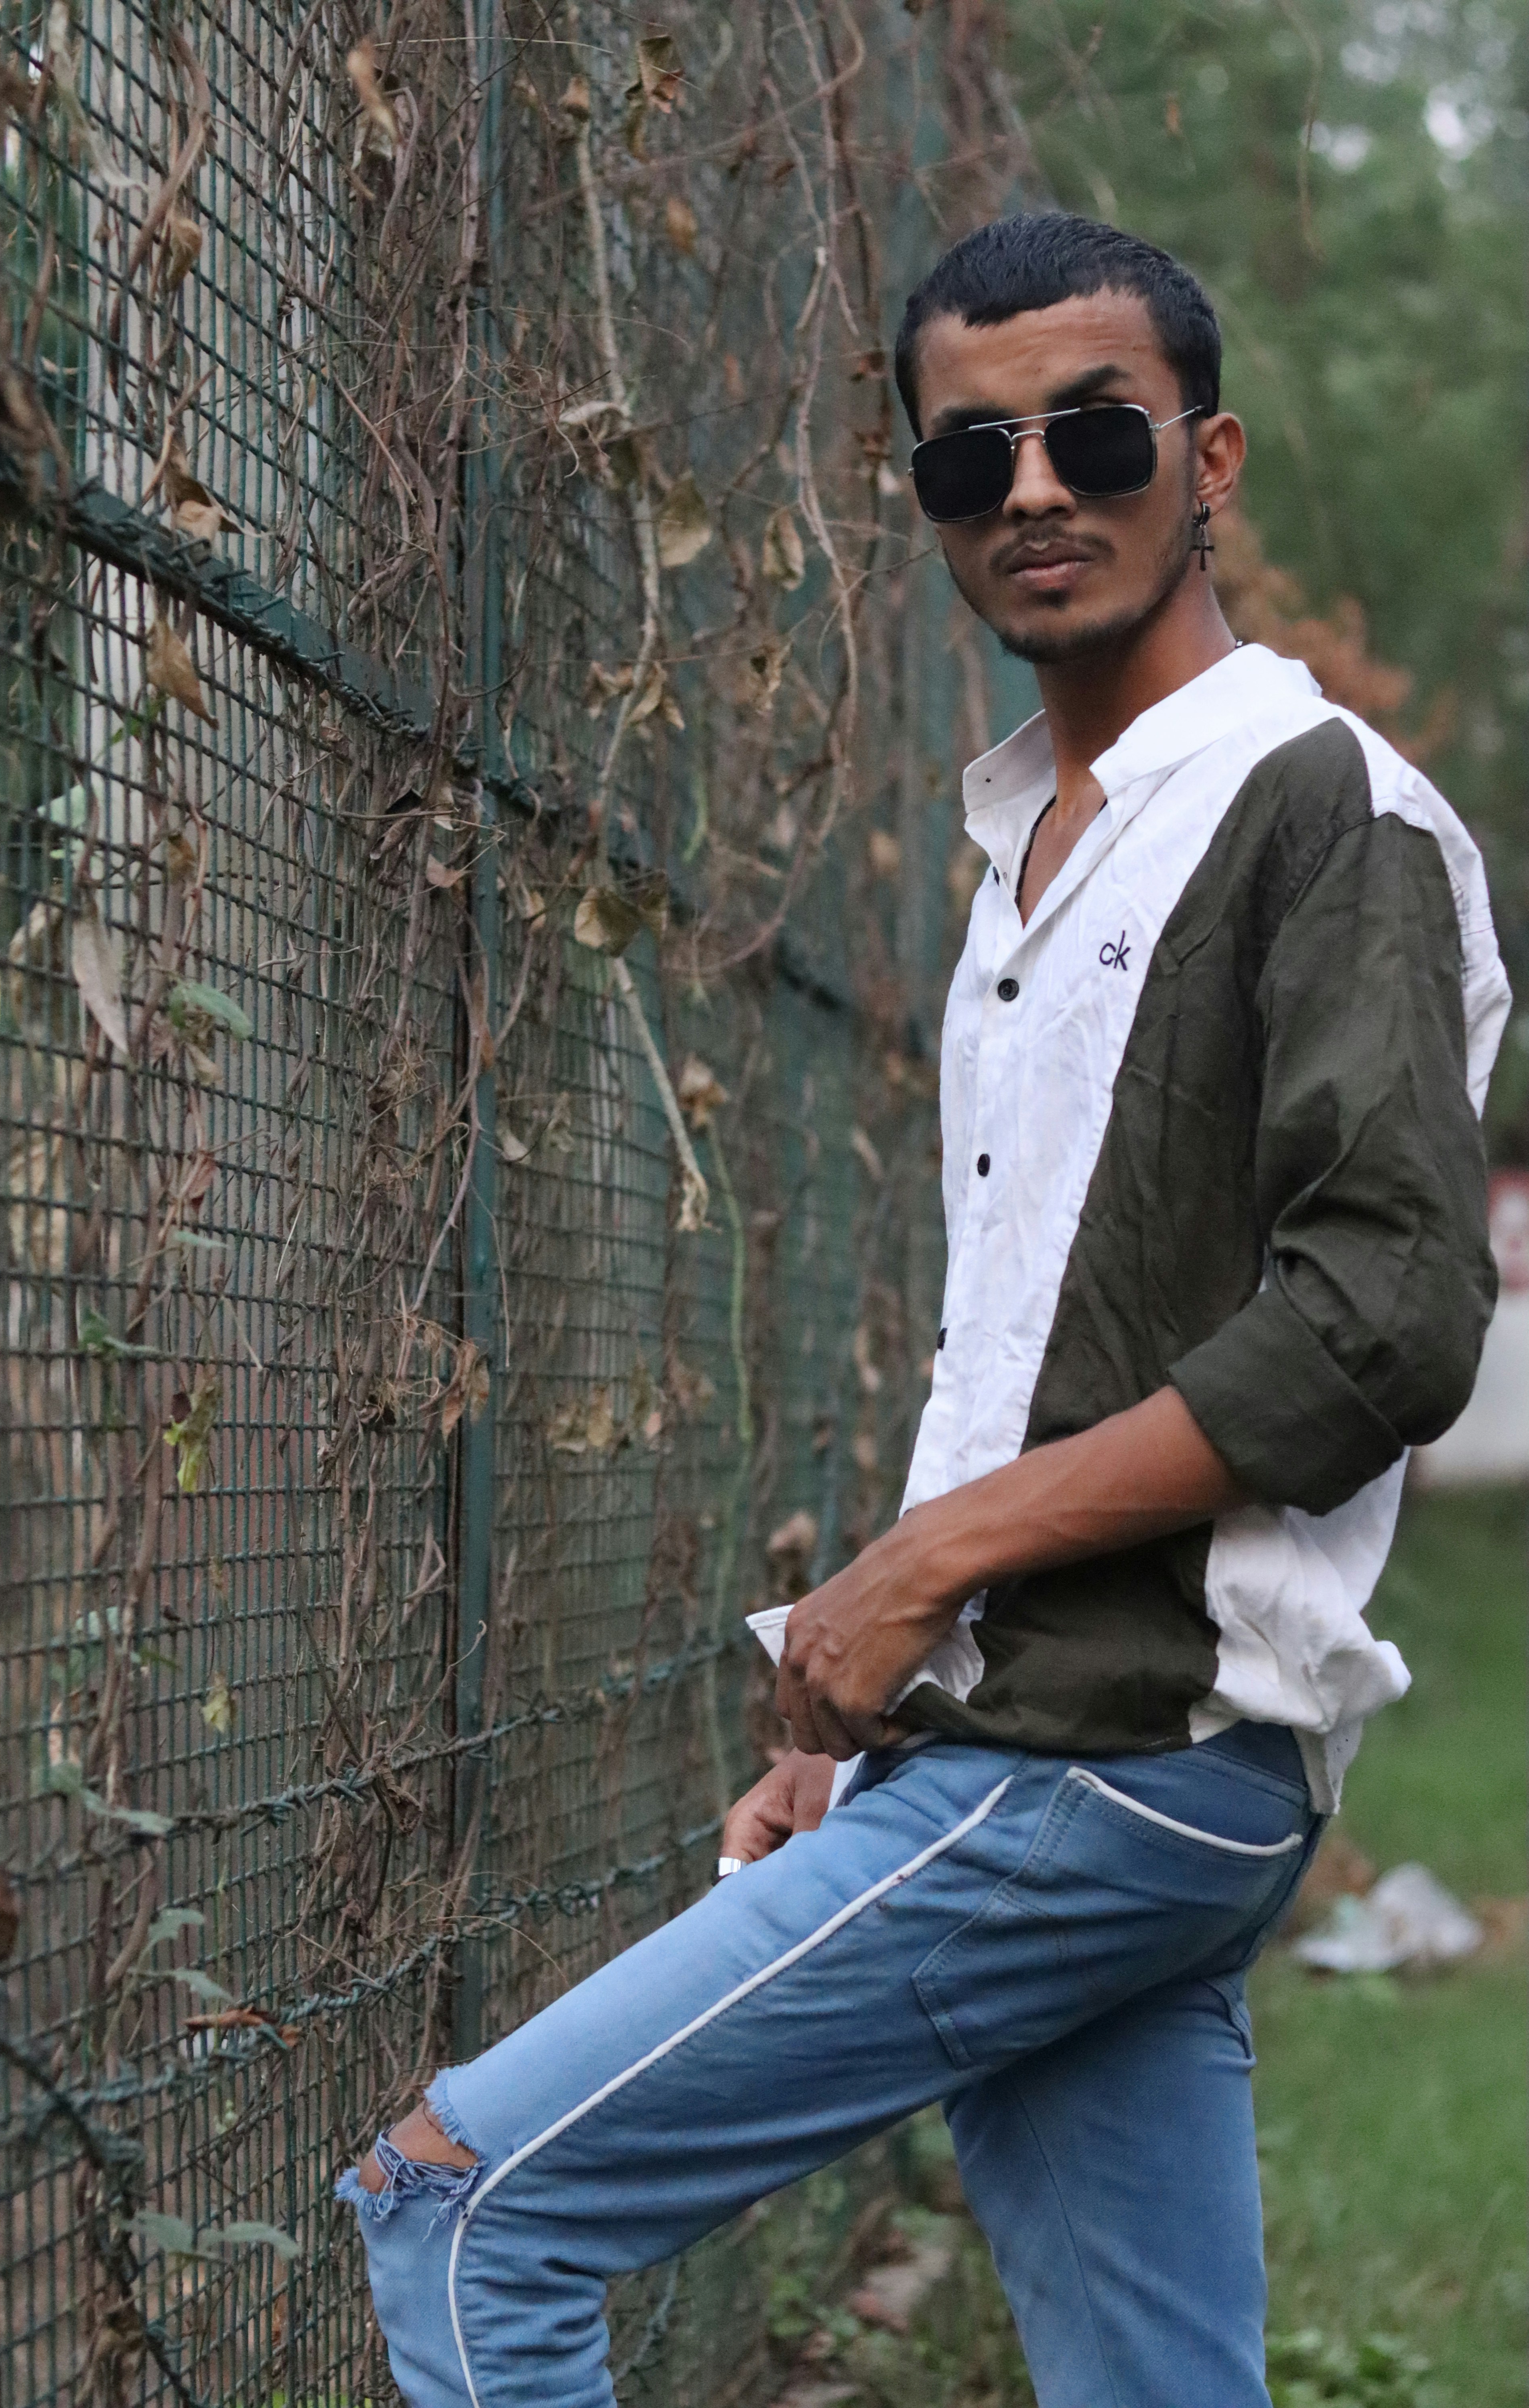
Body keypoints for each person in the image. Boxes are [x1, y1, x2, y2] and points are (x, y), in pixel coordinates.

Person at [337, 214, 1509, 2408]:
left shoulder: (1317, 812)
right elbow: (1029, 1353)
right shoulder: (1031, 853)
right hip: (1079, 1758)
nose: (1037, 493)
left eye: (1094, 434)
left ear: (1211, 454)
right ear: (926, 501)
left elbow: (1382, 1322)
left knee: (464, 2208)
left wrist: (920, 1575)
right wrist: (865, 1720)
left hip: (1114, 1754)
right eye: (974, 461)